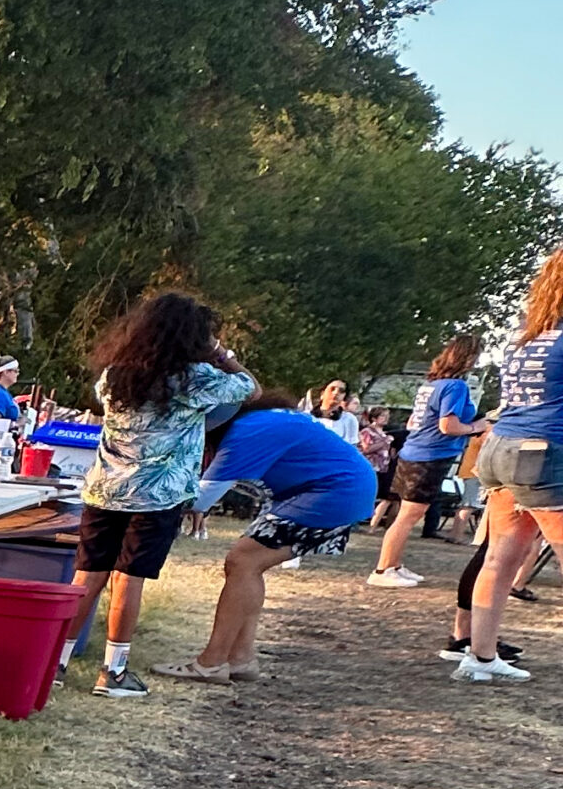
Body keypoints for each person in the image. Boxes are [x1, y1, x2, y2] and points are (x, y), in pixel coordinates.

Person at [69, 292, 256, 699]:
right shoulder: (195, 378)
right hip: (157, 494)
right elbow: (250, 389)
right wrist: (221, 353)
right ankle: (114, 672)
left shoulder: (114, 374)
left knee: (87, 575)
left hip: (105, 487)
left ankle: (55, 662)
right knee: (128, 578)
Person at [154, 395, 382, 681]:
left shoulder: (244, 432)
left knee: (243, 562)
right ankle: (240, 659)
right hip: (341, 487)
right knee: (246, 564)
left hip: (333, 491)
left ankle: (211, 663)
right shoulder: (257, 421)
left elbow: (199, 498)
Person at [452, 246, 563, 684]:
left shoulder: (526, 339)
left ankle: (478, 658)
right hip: (542, 451)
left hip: (499, 448)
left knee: (499, 559)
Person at [370, 334, 483, 586]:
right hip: (430, 456)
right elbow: (448, 425)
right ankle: (382, 570)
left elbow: (413, 422)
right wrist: (477, 426)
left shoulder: (430, 385)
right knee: (409, 515)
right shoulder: (455, 386)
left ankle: (394, 564)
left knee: (405, 513)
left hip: (413, 452)